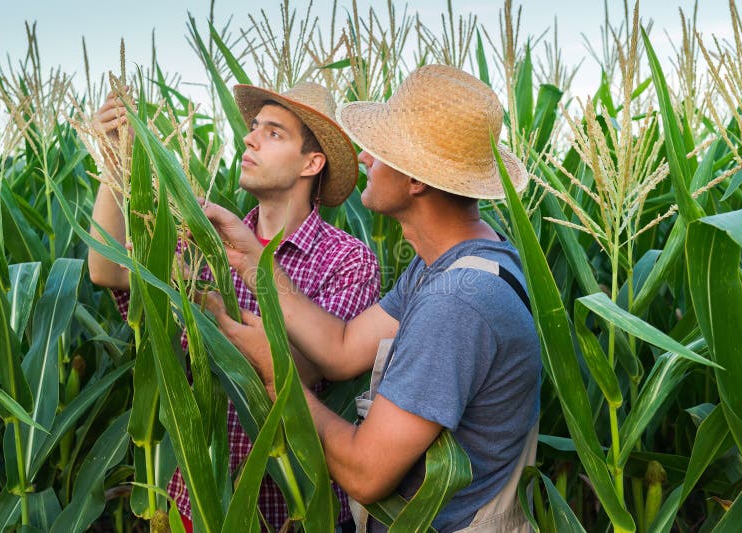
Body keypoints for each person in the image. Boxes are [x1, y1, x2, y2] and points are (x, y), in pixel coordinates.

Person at [199, 64, 542, 532]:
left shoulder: (459, 302)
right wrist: (253, 262)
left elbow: (366, 472)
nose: (362, 157)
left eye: (380, 150)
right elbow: (342, 347)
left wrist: (275, 374)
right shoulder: (449, 264)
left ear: (416, 180)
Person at [88, 82, 381, 532]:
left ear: (312, 163)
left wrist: (215, 315)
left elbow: (303, 371)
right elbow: (108, 272)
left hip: (299, 510)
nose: (250, 138)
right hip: (200, 501)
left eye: (274, 132)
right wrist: (115, 162)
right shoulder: (204, 241)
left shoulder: (347, 259)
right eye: (253, 127)